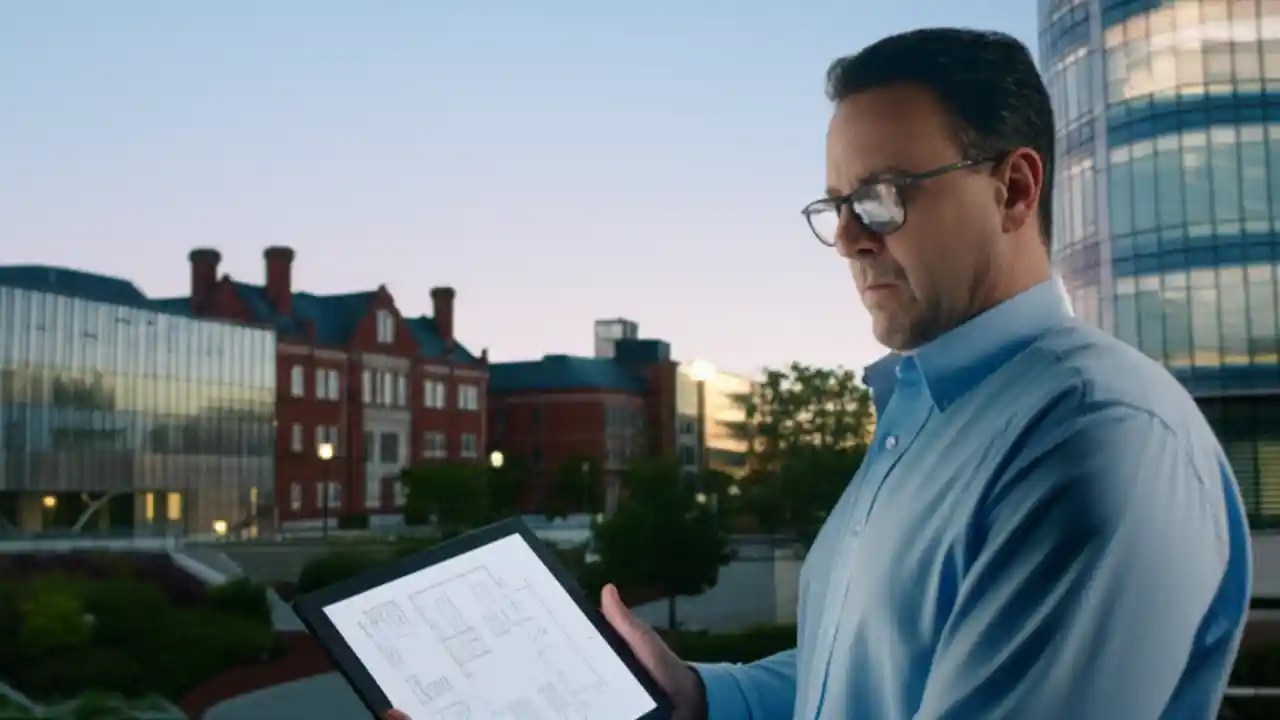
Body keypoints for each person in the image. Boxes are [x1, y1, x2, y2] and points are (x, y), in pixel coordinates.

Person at [384, 26, 1251, 720]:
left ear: (1015, 191)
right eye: (836, 206)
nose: (847, 238)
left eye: (882, 197)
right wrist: (702, 696)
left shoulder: (1095, 441)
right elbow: (862, 668)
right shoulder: (929, 413)